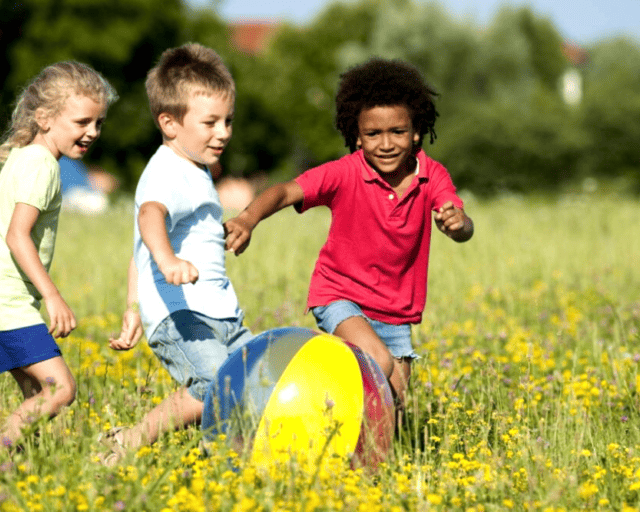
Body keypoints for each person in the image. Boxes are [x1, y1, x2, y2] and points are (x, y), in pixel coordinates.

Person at [224, 58, 474, 420]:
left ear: (416, 131)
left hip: (397, 312)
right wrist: (248, 218)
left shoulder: (431, 175)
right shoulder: (343, 174)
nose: (386, 144)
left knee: (396, 408)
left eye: (398, 132)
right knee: (378, 361)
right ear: (357, 135)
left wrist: (457, 223)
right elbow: (284, 191)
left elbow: (461, 222)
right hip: (339, 295)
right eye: (373, 134)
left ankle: (365, 461)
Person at [103, 43, 254, 462]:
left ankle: (232, 454)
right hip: (183, 315)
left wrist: (132, 306)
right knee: (218, 386)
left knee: (255, 377)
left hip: (219, 312)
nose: (223, 132)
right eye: (210, 122)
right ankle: (136, 442)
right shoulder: (168, 171)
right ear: (169, 123)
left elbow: (140, 249)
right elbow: (149, 218)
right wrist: (169, 261)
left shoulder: (194, 170)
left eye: (227, 121)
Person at [0, 61, 117, 454]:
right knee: (61, 389)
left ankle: (16, 471)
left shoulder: (25, 156)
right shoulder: (42, 166)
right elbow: (18, 236)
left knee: (36, 394)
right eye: (82, 121)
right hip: (5, 300)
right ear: (45, 118)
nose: (92, 133)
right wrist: (52, 295)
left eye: (98, 123)